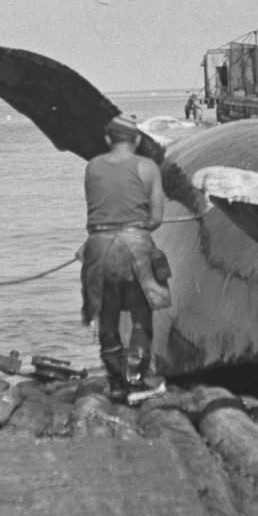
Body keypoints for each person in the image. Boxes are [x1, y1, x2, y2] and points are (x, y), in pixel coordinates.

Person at [80, 115, 172, 402]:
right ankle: (136, 381)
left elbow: (99, 211)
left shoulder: (92, 167)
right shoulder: (147, 167)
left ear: (108, 139)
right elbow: (156, 218)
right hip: (135, 245)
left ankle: (116, 383)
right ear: (136, 140)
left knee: (106, 315)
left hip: (98, 246)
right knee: (140, 314)